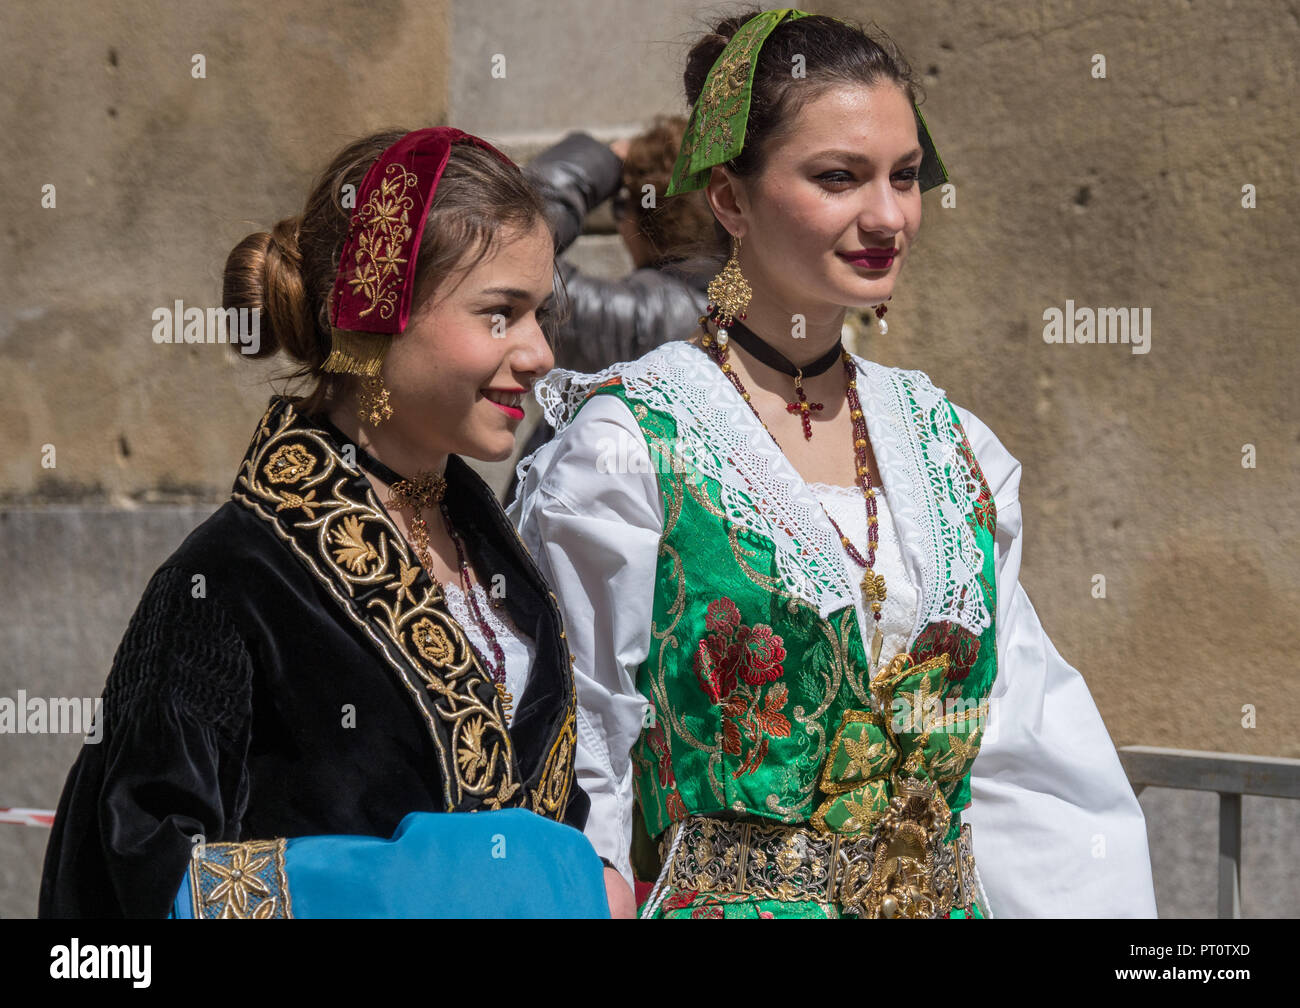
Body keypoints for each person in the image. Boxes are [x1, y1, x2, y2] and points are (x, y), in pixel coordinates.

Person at [510, 10, 1157, 918]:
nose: (887, 215)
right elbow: (581, 747)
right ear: (731, 200)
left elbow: (1025, 757)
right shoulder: (628, 446)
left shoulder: (954, 447)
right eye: (838, 177)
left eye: (906, 177)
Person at [40, 127, 595, 918]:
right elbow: (144, 873)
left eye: (543, 312)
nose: (540, 352)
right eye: (500, 314)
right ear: (375, 320)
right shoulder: (228, 582)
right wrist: (411, 885)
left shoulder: (500, 562)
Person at [504, 118, 714, 504]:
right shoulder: (755, 304)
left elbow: (504, 248)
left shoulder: (638, 317)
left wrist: (598, 163)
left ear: (634, 216)